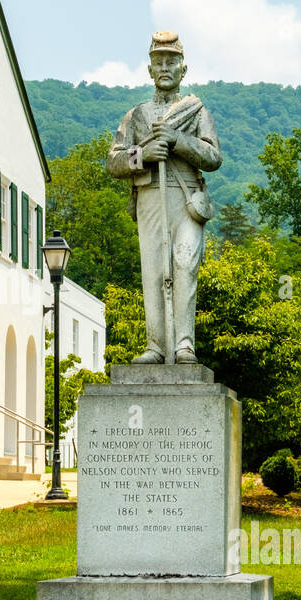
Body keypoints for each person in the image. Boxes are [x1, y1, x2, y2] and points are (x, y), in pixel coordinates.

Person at [106, 30, 222, 364]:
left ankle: (184, 343)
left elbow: (214, 157)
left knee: (185, 265)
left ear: (183, 68)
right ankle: (155, 346)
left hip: (185, 197)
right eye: (159, 61)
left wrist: (177, 141)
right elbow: (114, 161)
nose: (165, 67)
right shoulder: (137, 115)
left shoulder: (196, 111)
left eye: (172, 61)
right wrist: (142, 154)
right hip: (149, 196)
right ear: (150, 69)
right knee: (154, 270)